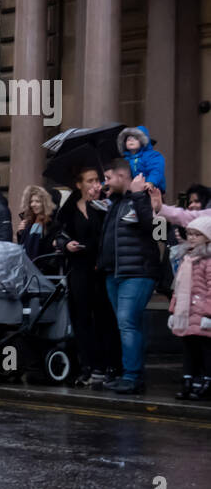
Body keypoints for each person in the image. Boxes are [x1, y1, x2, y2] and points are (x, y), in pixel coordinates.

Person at [53, 166, 120, 387]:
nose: (94, 185)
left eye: (97, 180)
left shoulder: (105, 205)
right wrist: (65, 244)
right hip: (78, 267)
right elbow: (58, 235)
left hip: (100, 268)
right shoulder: (69, 207)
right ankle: (88, 366)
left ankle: (109, 365)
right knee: (81, 318)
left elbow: (110, 234)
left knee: (104, 318)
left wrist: (97, 205)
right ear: (79, 184)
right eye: (89, 181)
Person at [97, 159, 159, 394]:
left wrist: (138, 196)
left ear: (123, 177)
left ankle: (132, 376)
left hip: (137, 272)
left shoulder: (142, 195)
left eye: (109, 178)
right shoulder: (116, 202)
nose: (105, 183)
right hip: (114, 272)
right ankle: (131, 373)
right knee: (127, 324)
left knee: (127, 323)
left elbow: (155, 228)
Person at [167, 216, 211, 399]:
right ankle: (188, 380)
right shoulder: (186, 258)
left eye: (197, 235)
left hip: (202, 313)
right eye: (190, 234)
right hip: (186, 312)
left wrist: (208, 314)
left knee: (206, 349)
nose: (191, 238)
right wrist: (173, 310)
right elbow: (177, 286)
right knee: (189, 348)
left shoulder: (208, 260)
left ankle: (207, 381)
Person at [118, 125, 167, 194]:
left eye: (135, 138)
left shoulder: (152, 155)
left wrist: (151, 182)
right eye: (128, 139)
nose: (131, 140)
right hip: (133, 192)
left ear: (143, 141)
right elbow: (117, 174)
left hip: (151, 190)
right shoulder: (125, 159)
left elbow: (156, 170)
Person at [16, 184, 58, 264]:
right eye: (31, 201)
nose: (33, 204)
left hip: (43, 269)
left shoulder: (52, 224)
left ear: (45, 203)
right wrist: (20, 233)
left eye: (37, 201)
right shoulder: (29, 221)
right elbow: (23, 246)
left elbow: (48, 249)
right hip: (26, 267)